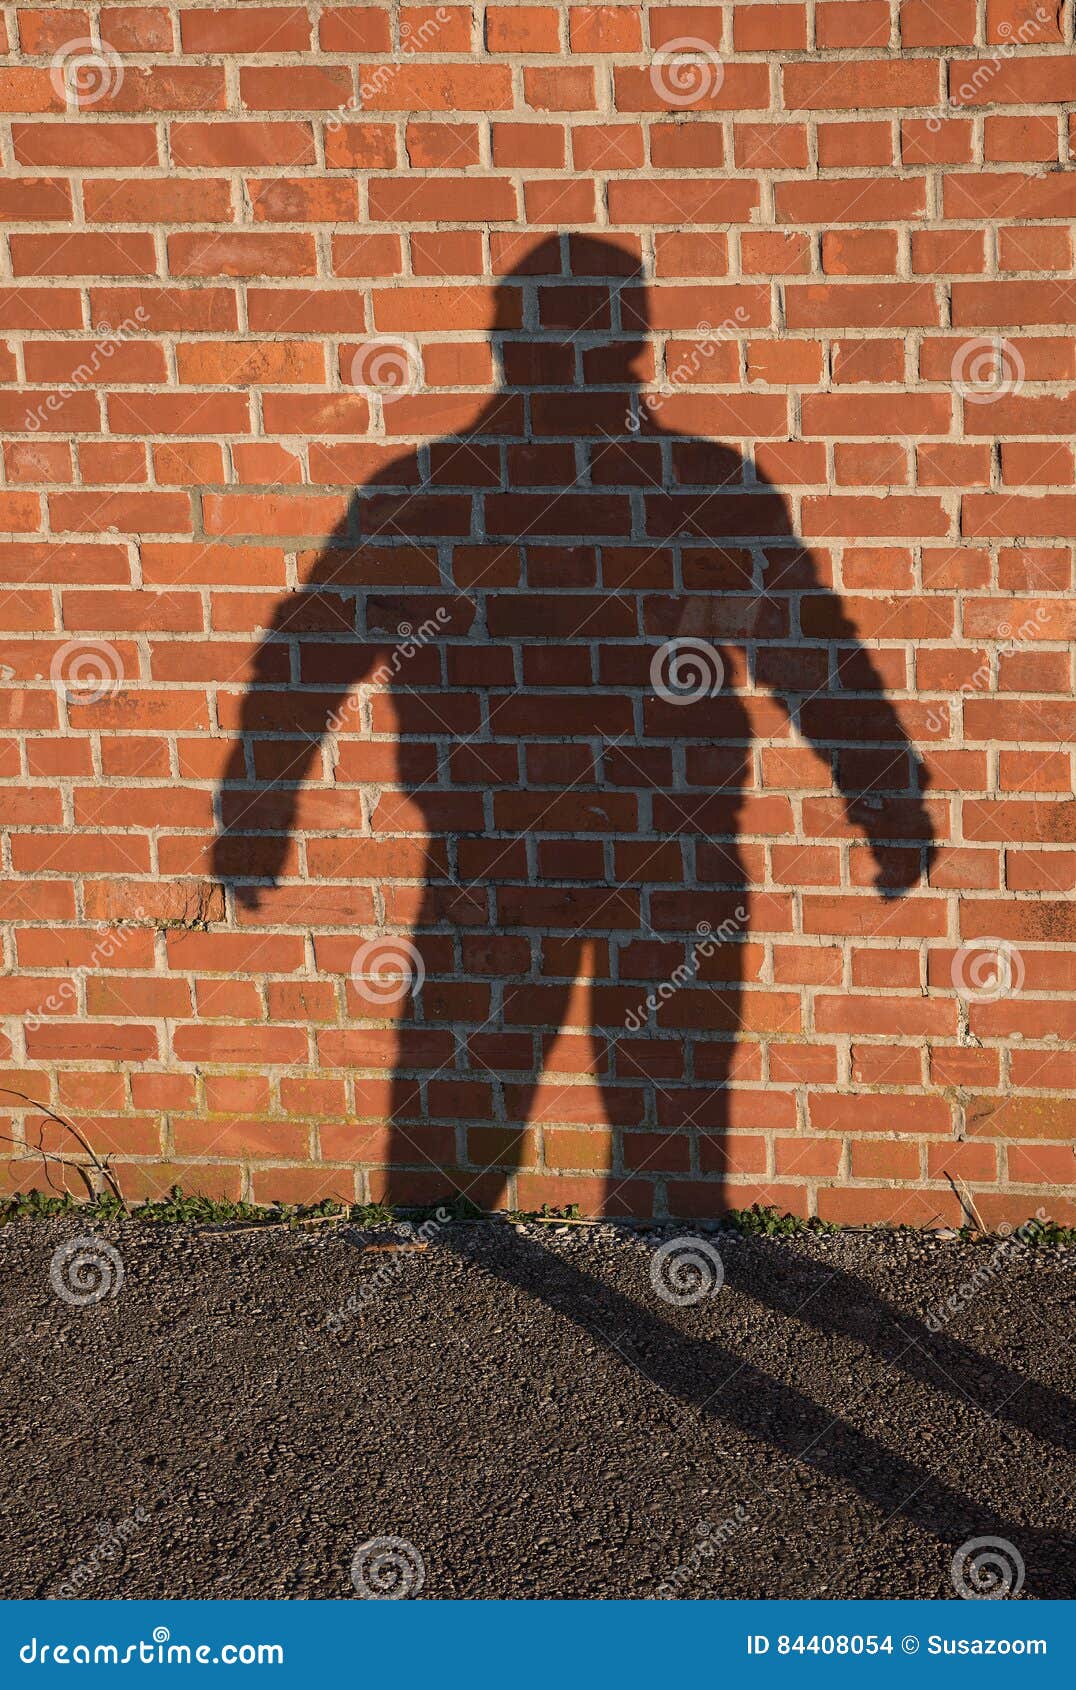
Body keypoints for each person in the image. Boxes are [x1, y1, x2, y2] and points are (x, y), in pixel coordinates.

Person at [214, 231, 934, 1219]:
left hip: (529, 852)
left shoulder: (426, 492)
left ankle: (469, 1258)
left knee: (484, 1109)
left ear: (504, 343)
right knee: (651, 1119)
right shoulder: (696, 486)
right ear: (633, 341)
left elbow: (305, 658)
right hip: (631, 849)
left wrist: (257, 809)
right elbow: (810, 654)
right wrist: (885, 797)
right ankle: (635, 1259)